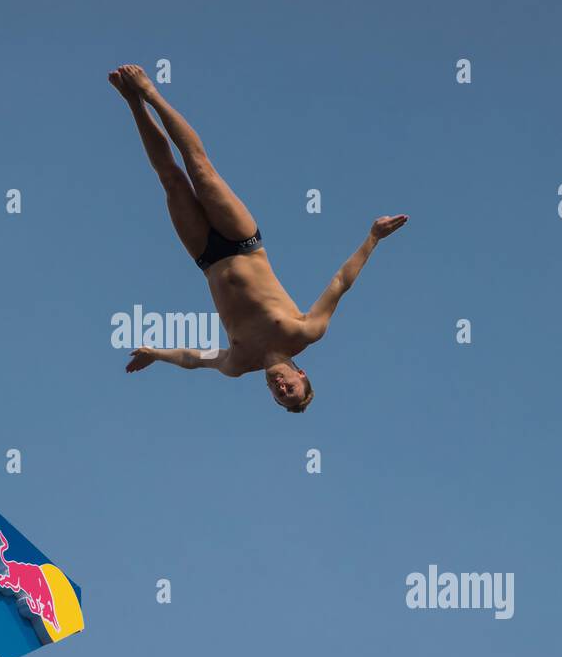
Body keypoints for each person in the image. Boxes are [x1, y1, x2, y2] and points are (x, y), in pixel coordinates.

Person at [110, 64, 407, 412]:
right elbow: (341, 282)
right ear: (301, 374)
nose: (282, 388)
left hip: (206, 257)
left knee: (170, 179)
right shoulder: (305, 332)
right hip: (243, 242)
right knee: (200, 168)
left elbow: (195, 358)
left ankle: (133, 102)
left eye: (280, 396)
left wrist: (155, 353)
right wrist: (373, 237)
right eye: (291, 389)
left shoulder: (237, 364)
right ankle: (150, 92)